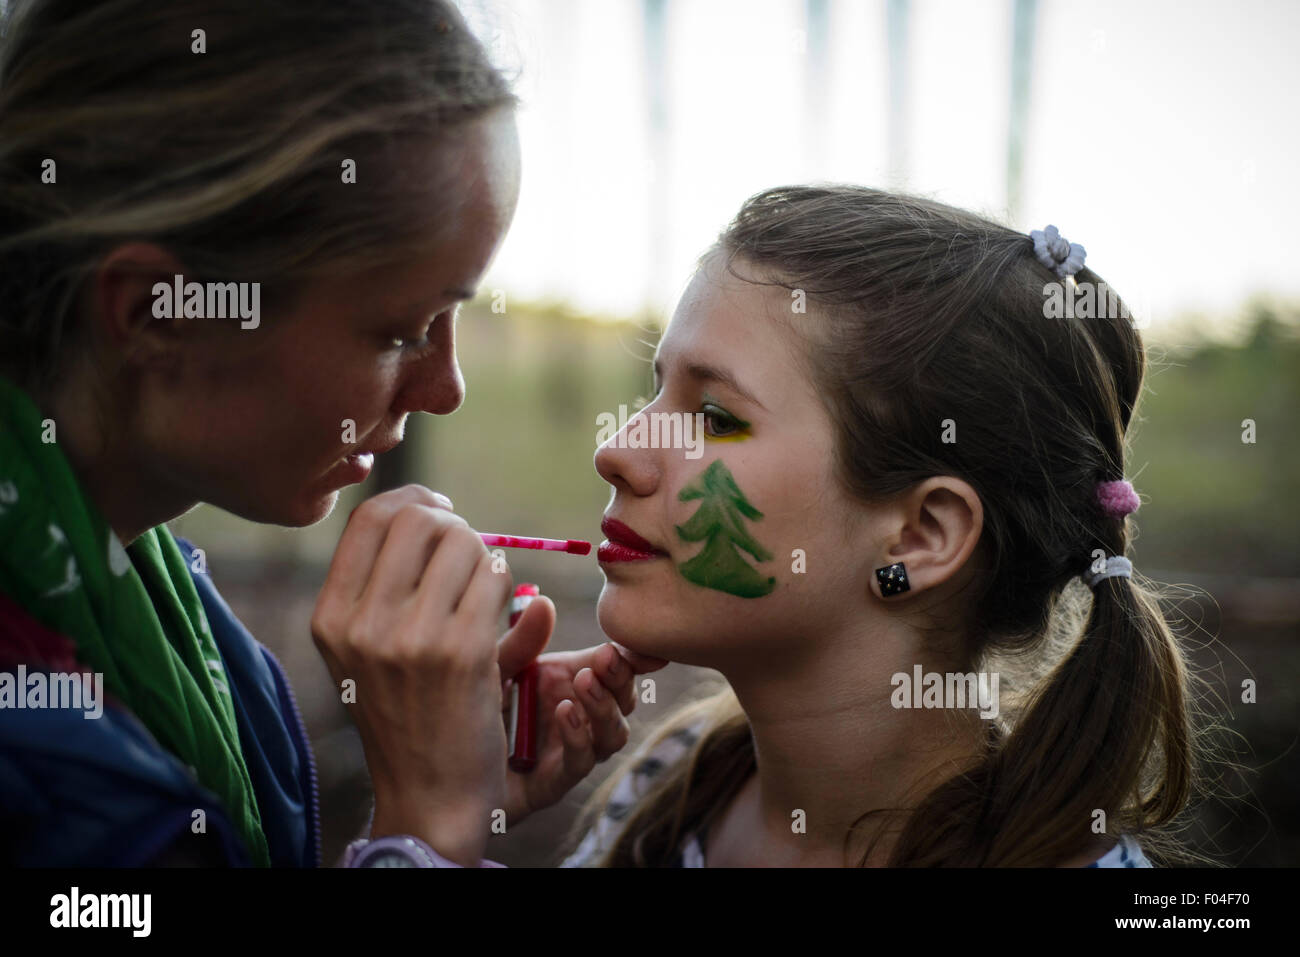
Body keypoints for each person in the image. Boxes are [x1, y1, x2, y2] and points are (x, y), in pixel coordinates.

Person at [0, 0, 662, 868]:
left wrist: (433, 796)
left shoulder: (180, 639)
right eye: (403, 331)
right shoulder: (44, 770)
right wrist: (427, 829)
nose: (447, 389)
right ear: (157, 314)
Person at [562, 186, 1215, 867]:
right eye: (656, 387)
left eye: (716, 417)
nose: (617, 451)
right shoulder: (670, 788)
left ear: (921, 536)